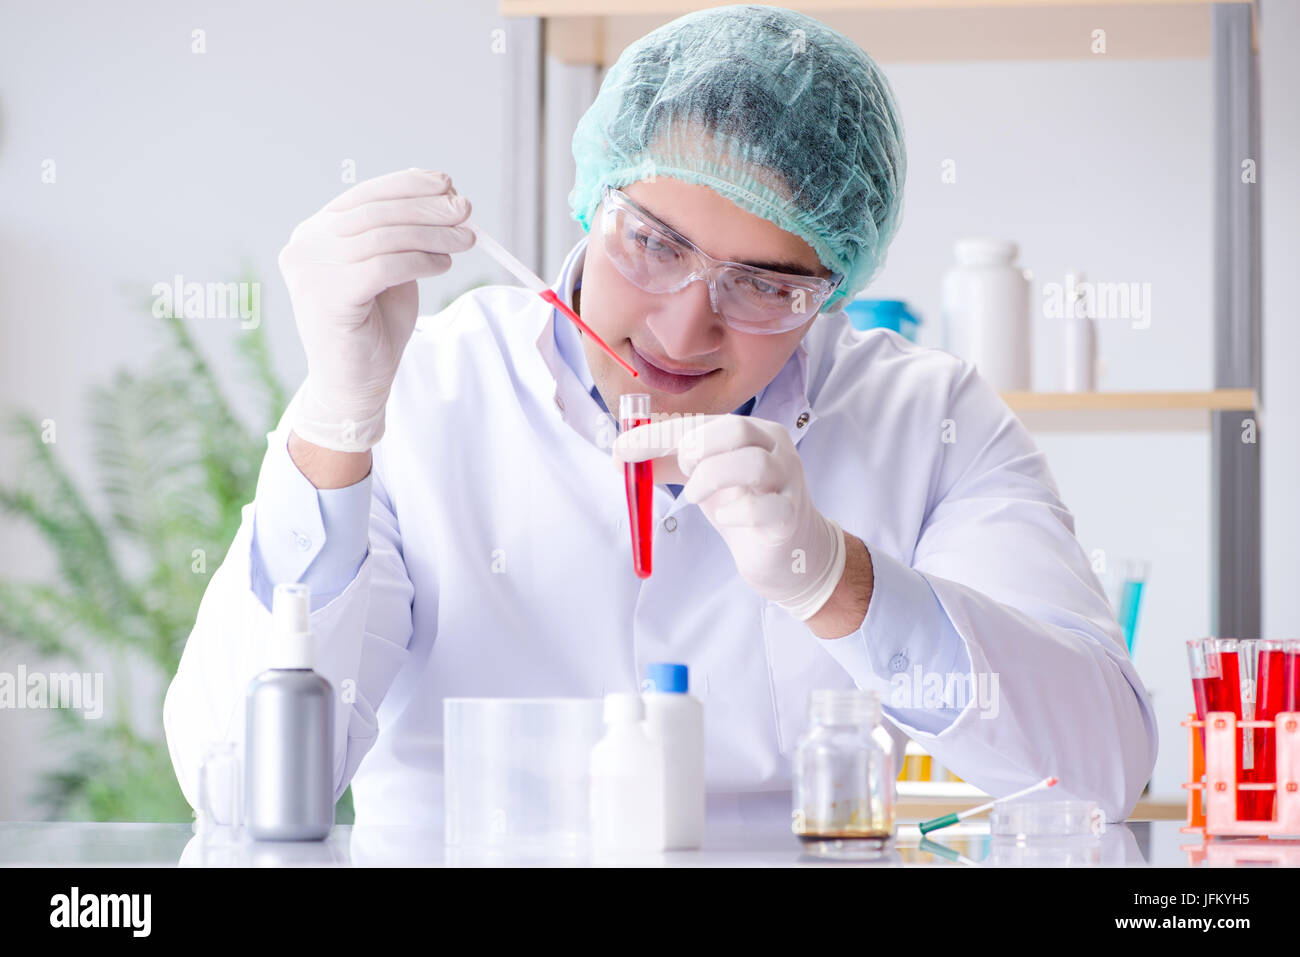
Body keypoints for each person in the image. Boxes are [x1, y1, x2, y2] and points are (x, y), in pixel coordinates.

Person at [163, 5, 1157, 826]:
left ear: (836, 287)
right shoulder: (419, 390)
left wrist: (840, 584)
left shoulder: (926, 417)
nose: (685, 329)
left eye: (764, 286)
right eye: (654, 242)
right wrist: (335, 425)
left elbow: (1100, 773)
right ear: (592, 200)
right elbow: (237, 785)